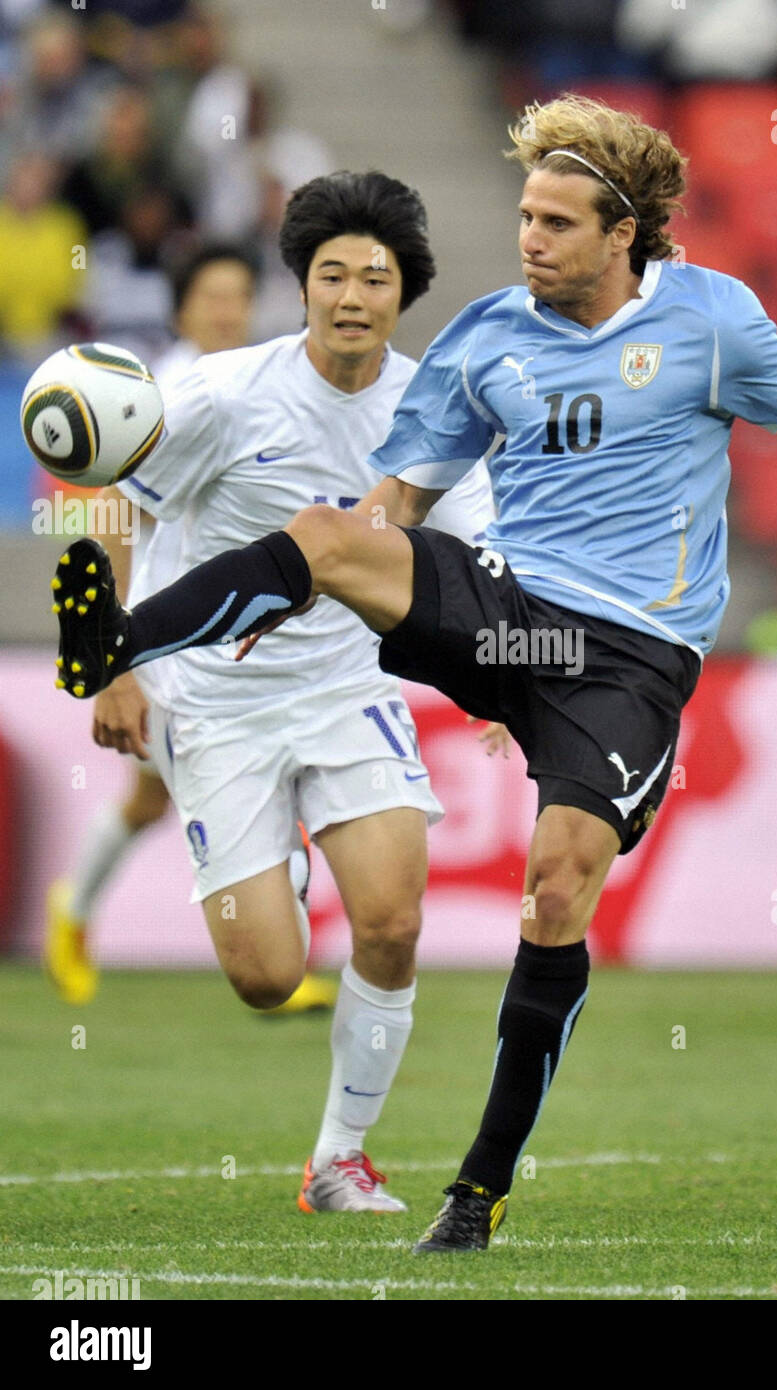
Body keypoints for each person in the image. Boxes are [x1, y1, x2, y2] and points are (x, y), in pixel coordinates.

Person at [51, 98, 777, 1250]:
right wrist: (325, 575)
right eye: (524, 216)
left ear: (623, 234)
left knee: (557, 888)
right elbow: (399, 501)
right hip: (511, 607)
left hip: (623, 656)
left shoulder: (712, 322)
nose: (529, 239)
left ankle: (478, 1188)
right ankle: (116, 643)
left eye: (557, 223)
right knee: (322, 534)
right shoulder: (485, 337)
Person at [54, 171, 495, 1213]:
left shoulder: (434, 415)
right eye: (331, 274)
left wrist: (493, 674)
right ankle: (275, 876)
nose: (351, 295)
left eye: (374, 279)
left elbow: (475, 555)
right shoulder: (222, 392)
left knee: (391, 918)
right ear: (299, 288)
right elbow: (111, 500)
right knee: (265, 975)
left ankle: (338, 1160)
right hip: (213, 701)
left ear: (403, 293)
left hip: (347, 689)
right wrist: (115, 664)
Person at [44, 243, 348, 1014]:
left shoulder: (259, 384)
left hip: (232, 638)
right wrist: (115, 664)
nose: (226, 311)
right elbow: (111, 514)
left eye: (238, 296)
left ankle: (72, 914)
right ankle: (268, 961)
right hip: (168, 646)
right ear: (179, 307)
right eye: (211, 296)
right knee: (256, 784)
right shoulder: (152, 395)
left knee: (152, 803)